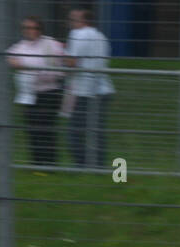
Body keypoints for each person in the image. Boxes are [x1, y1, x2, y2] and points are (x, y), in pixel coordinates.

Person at [7, 16, 65, 166]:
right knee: (32, 130)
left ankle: (49, 165)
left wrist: (27, 67)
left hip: (48, 92)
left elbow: (56, 64)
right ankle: (37, 164)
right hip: (29, 95)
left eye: (32, 28)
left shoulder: (50, 44)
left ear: (39, 29)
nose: (28, 31)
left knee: (45, 130)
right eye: (25, 28)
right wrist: (18, 64)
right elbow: (10, 56)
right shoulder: (23, 45)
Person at [64, 7, 114, 169]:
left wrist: (60, 56)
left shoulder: (78, 34)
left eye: (73, 19)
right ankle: (98, 167)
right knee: (96, 132)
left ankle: (82, 166)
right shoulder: (101, 36)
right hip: (103, 89)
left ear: (83, 21)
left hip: (84, 91)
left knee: (74, 133)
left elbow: (72, 62)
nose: (70, 23)